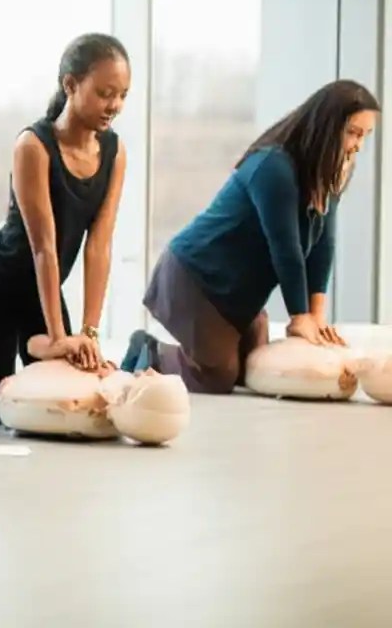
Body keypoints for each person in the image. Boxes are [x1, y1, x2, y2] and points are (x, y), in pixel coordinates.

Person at [121, 80, 379, 394]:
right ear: (326, 126)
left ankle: (208, 347)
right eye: (353, 132)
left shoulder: (332, 171)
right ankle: (148, 352)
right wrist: (299, 317)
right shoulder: (274, 166)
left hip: (238, 294)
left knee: (255, 370)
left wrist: (316, 317)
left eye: (365, 135)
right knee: (218, 377)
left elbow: (324, 244)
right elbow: (286, 248)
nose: (358, 146)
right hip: (194, 278)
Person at [0, 33, 130, 426]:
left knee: (58, 396)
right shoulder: (33, 145)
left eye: (122, 95)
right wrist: (56, 337)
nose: (114, 105)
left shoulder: (114, 152)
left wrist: (87, 333)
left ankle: (18, 350)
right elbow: (44, 247)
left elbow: (99, 245)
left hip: (40, 292)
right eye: (104, 93)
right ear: (70, 84)